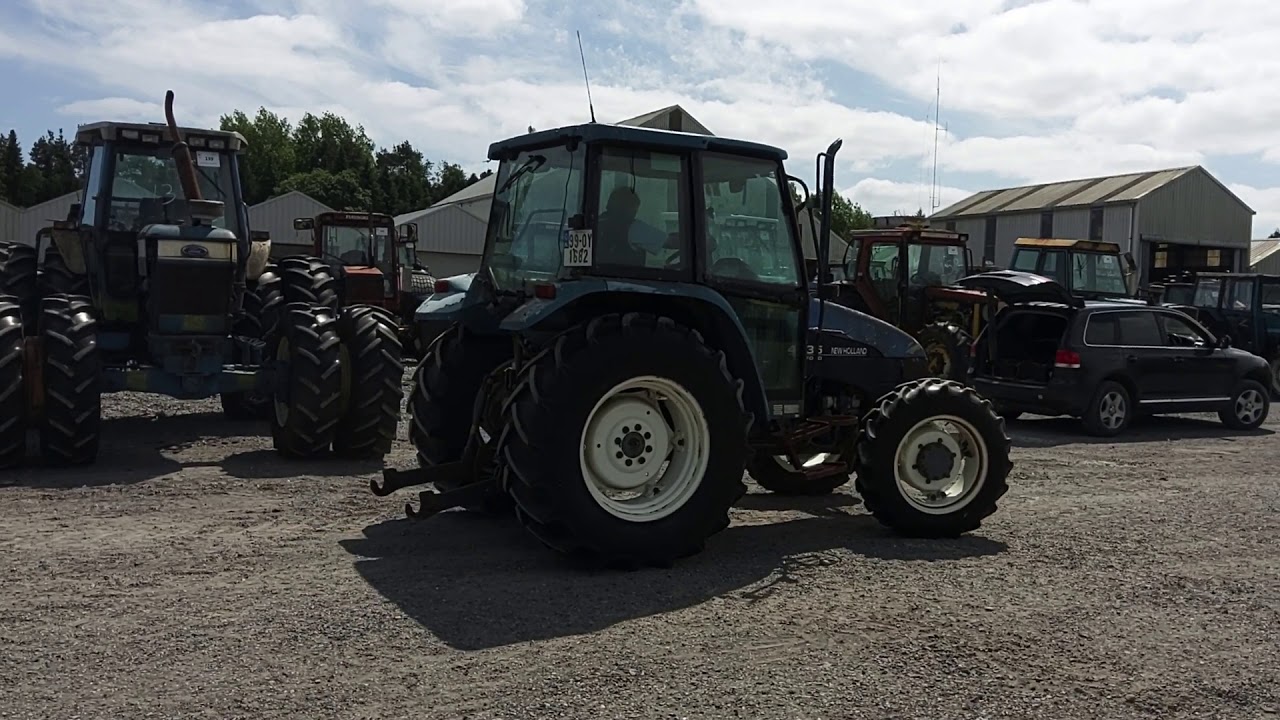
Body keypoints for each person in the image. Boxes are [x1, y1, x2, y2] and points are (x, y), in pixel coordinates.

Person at [596, 186, 667, 266]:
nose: (634, 214)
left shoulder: (597, 223)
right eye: (634, 209)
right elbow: (670, 242)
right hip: (626, 276)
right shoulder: (633, 228)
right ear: (627, 208)